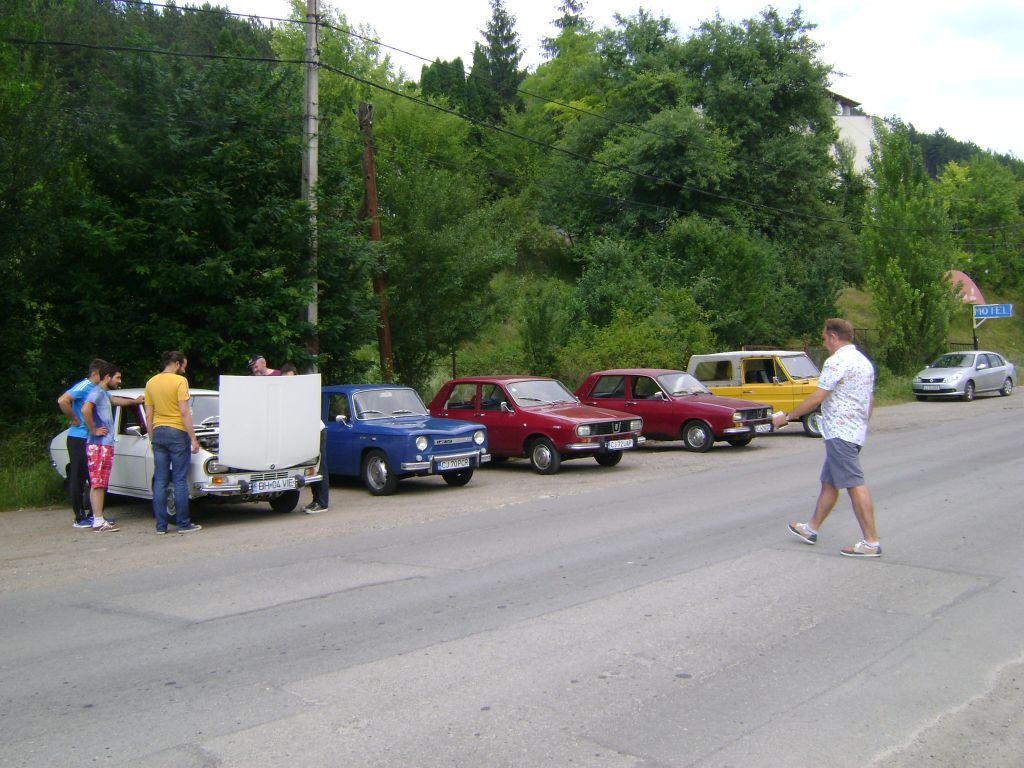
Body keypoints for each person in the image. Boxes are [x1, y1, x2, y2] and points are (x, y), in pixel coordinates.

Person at [773, 318, 881, 558]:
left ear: (833, 337)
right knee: (830, 483)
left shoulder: (836, 361)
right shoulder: (864, 362)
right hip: (853, 431)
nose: (824, 343)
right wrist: (862, 424)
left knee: (854, 484)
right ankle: (811, 528)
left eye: (824, 338)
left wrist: (787, 417)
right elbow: (870, 400)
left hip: (840, 433)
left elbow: (816, 398)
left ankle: (871, 542)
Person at [58, 359, 141, 528]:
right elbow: (63, 401)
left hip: (92, 439)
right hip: (80, 436)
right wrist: (74, 418)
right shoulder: (85, 387)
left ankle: (94, 515)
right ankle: (80, 517)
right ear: (97, 374)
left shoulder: (100, 391)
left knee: (93, 478)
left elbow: (114, 400)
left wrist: (134, 402)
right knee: (79, 476)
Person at [144, 351, 202, 535]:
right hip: (177, 432)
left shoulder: (151, 382)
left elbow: (149, 414)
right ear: (176, 364)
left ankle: (161, 526)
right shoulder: (179, 382)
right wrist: (193, 438)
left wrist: (152, 437)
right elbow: (184, 412)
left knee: (160, 480)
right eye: (184, 365)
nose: (185, 369)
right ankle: (183, 523)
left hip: (159, 431)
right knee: (179, 479)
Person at [80, 361, 123, 532]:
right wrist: (94, 429)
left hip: (102, 445)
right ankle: (98, 521)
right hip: (99, 445)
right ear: (107, 377)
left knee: (98, 482)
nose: (119, 381)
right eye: (117, 377)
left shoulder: (104, 394)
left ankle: (96, 518)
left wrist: (137, 401)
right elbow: (85, 410)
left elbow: (117, 400)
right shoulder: (97, 392)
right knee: (99, 483)